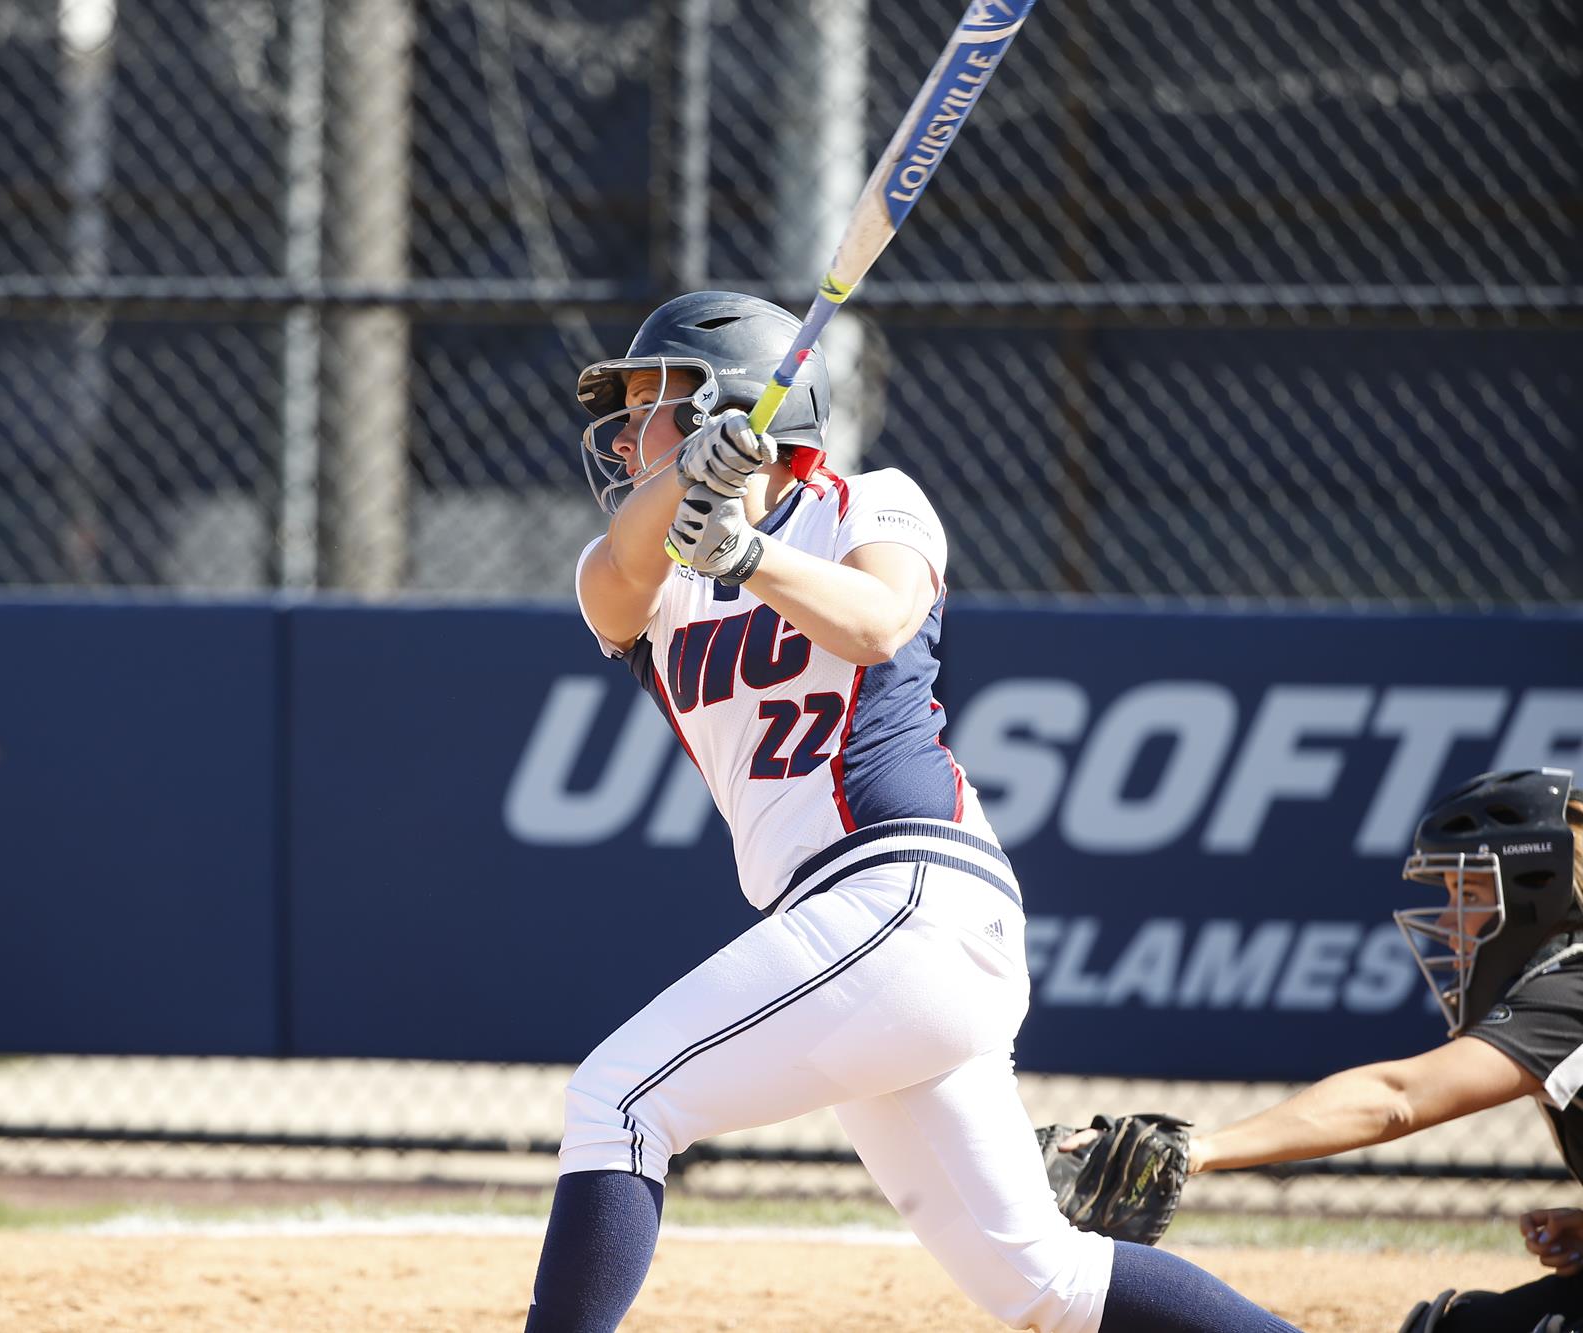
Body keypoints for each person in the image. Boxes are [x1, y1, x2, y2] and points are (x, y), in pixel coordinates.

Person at [521, 289, 1302, 1333]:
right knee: (1047, 1284)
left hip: (905, 893)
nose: (622, 430)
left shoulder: (868, 502)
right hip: (854, 930)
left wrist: (749, 553)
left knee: (617, 1100)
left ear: (737, 405)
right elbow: (623, 567)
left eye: (648, 401)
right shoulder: (633, 579)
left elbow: (880, 622)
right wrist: (696, 492)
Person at [1060, 767, 1583, 1333]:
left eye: (1471, 894)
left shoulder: (1569, 988)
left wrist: (1194, 1150)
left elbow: (1396, 1097)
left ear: (1540, 890)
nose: (1453, 928)